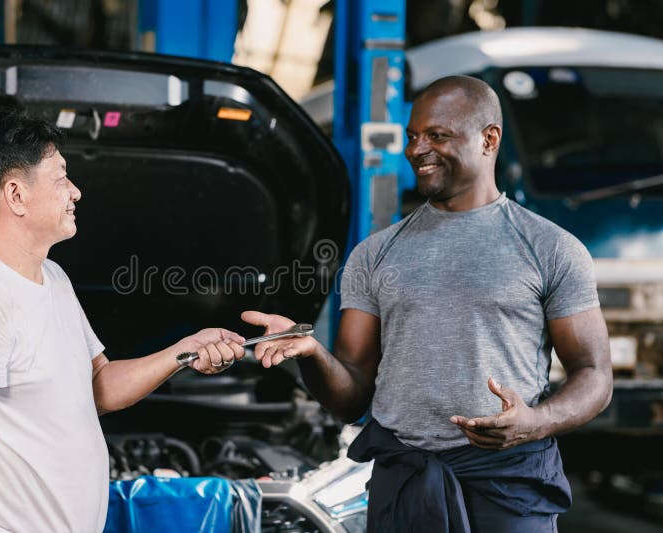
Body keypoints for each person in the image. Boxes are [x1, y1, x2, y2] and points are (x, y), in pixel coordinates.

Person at [242, 75, 612, 532]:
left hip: (507, 486)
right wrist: (313, 353)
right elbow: (352, 396)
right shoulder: (375, 253)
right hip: (405, 485)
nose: (417, 150)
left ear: (488, 140)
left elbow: (594, 375)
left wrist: (534, 421)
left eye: (438, 135)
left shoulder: (550, 248)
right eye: (413, 136)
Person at [0, 109, 245, 533]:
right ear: (16, 195)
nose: (76, 192)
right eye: (61, 177)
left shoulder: (52, 277)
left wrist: (183, 351)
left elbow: (98, 385)